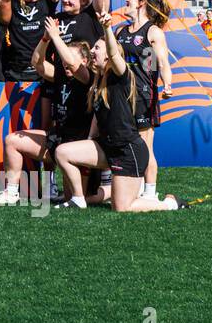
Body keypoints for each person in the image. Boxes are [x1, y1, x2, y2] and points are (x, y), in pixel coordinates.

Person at [53, 15, 186, 211]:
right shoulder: (95, 81)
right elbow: (73, 64)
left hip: (127, 151)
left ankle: (170, 203)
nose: (91, 51)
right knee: (62, 152)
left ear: (108, 55)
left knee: (122, 207)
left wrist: (107, 29)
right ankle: (78, 199)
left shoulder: (119, 76)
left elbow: (116, 56)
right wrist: (54, 36)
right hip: (107, 147)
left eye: (97, 48)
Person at [0, 17, 94, 205]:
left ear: (85, 60)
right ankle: (11, 193)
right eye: (62, 56)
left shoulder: (87, 77)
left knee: (75, 199)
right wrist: (45, 39)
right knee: (12, 140)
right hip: (58, 138)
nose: (64, 60)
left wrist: (55, 36)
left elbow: (73, 65)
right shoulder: (60, 74)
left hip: (79, 146)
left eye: (69, 56)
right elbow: (37, 63)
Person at [115, 0, 174, 202]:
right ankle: (125, 187)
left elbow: (163, 62)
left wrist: (167, 83)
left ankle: (150, 193)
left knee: (144, 146)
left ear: (141, 3)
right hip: (119, 96)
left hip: (143, 95)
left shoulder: (153, 32)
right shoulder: (120, 31)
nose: (126, 0)